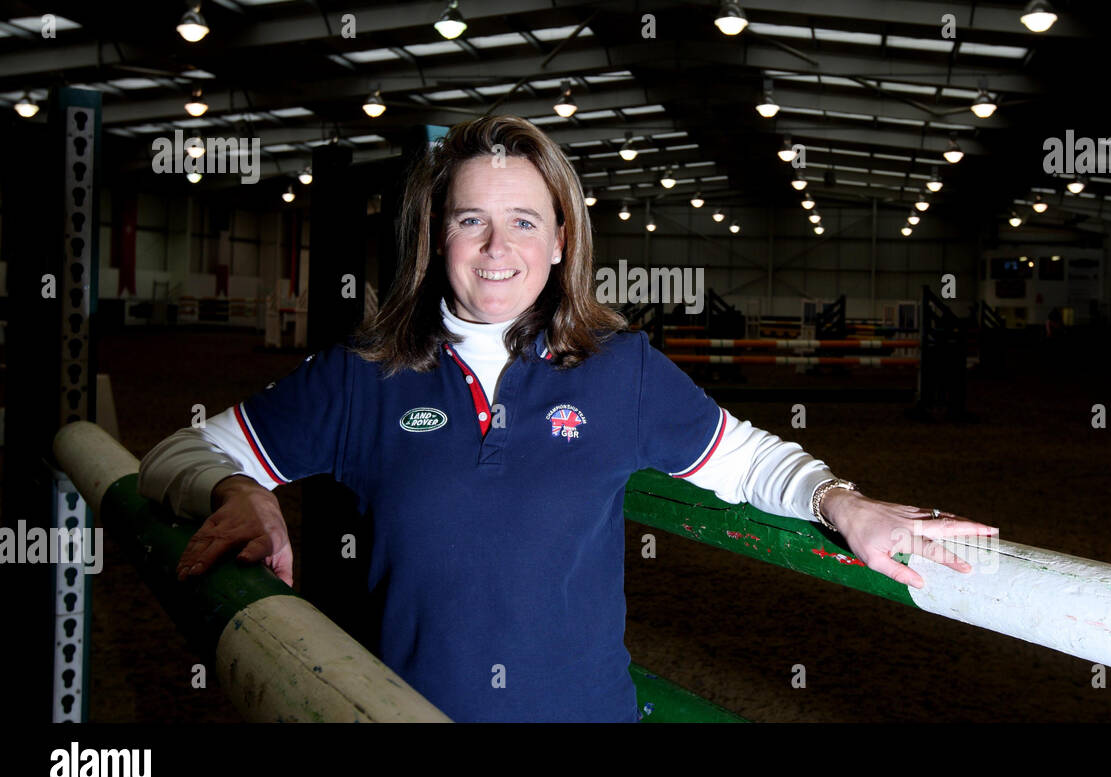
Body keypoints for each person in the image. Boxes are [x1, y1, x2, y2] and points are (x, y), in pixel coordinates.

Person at [138, 114, 997, 722]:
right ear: (437, 239)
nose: (496, 248)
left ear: (561, 242)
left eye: (523, 222)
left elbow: (749, 460)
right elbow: (173, 451)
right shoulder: (362, 375)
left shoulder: (620, 370)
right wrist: (235, 486)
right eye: (470, 221)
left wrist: (841, 502)